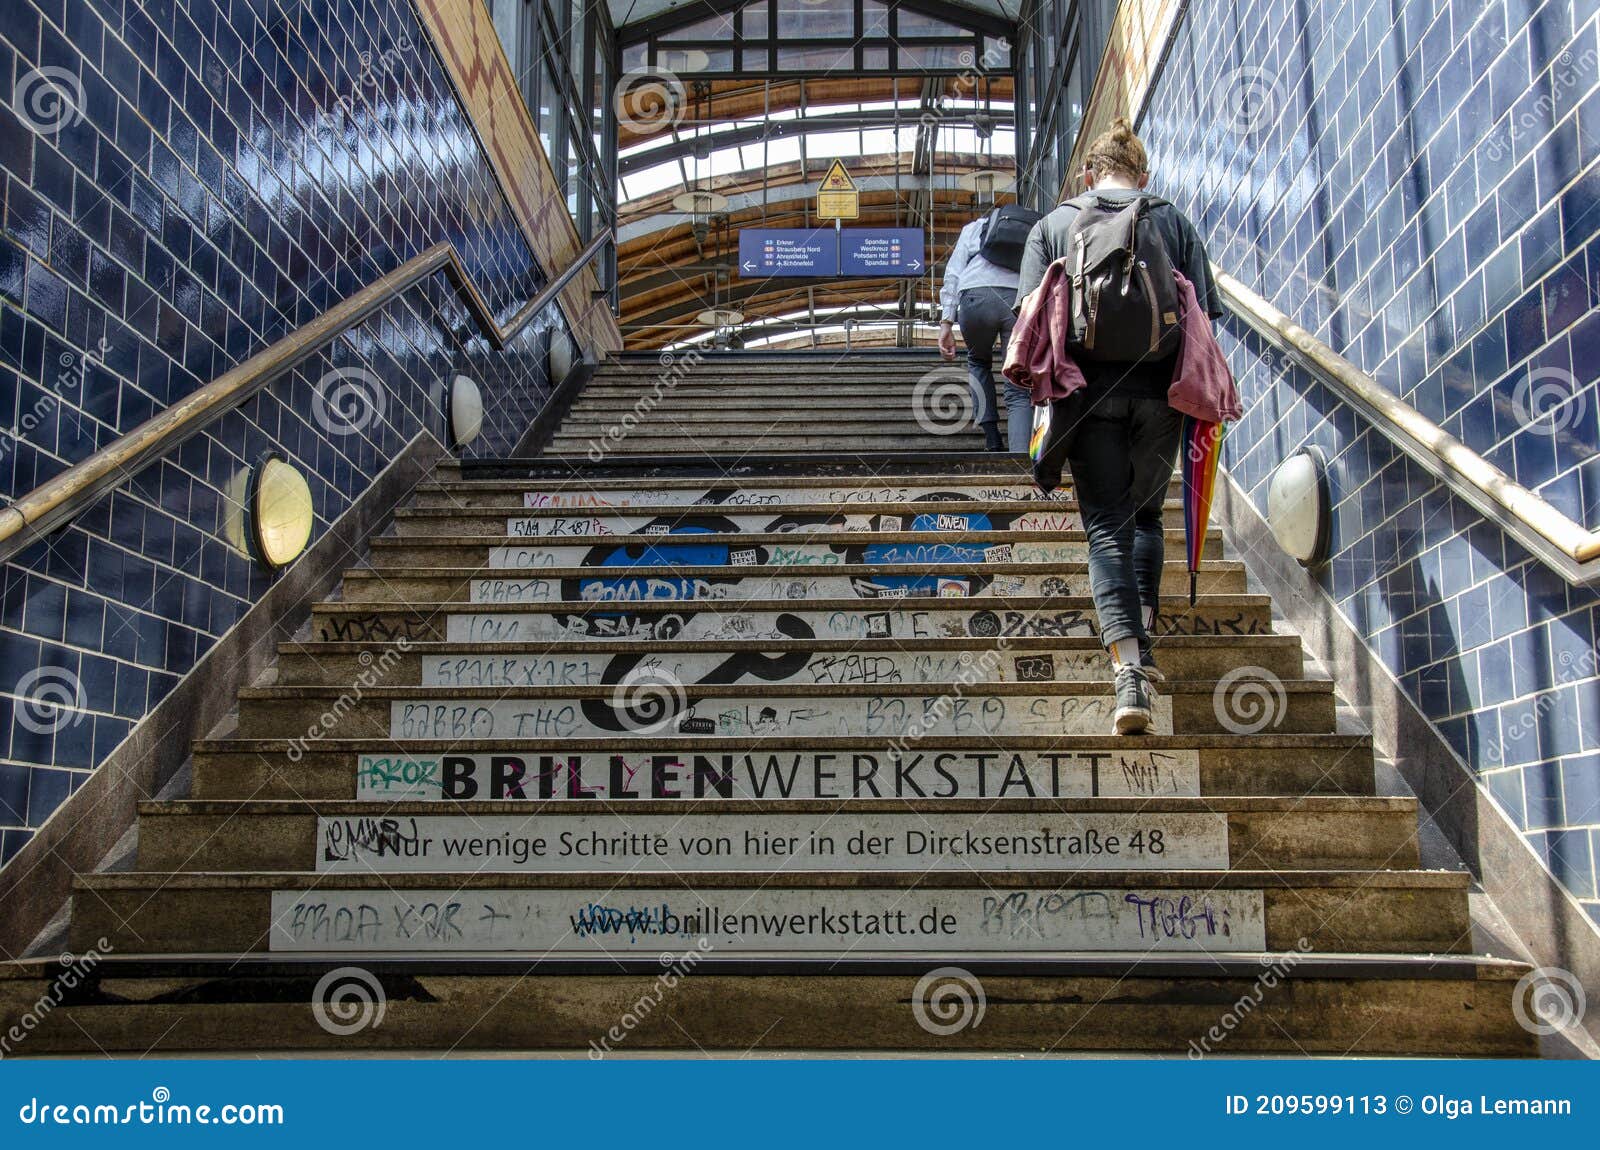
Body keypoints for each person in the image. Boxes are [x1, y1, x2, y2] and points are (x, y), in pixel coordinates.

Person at [1013, 117, 1223, 735]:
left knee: (1106, 526)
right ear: (1143, 175)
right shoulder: (1172, 218)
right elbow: (1207, 312)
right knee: (1147, 518)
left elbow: (1026, 319)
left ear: (1087, 175)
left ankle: (1127, 671)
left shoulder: (1052, 226)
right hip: (1163, 396)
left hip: (1085, 397)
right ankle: (1146, 641)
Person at [938, 209, 1031, 452]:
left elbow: (954, 273)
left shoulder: (973, 228)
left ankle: (992, 438)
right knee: (1018, 383)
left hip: (975, 297)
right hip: (1017, 299)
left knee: (978, 361)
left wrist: (946, 322)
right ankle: (1019, 457)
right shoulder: (1031, 229)